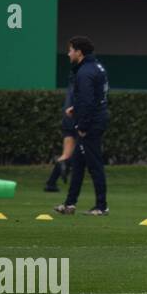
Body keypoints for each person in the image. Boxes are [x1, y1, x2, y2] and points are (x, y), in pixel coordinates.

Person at [53, 36, 110, 216]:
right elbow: (93, 97)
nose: (68, 54)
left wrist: (82, 125)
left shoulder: (84, 72)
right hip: (96, 118)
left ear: (79, 52)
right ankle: (70, 204)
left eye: (70, 50)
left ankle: (101, 206)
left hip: (91, 123)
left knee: (95, 165)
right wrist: (75, 108)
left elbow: (87, 100)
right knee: (78, 163)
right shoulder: (96, 67)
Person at [43, 69, 77, 192]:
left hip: (67, 119)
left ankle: (51, 183)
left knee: (66, 153)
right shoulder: (83, 84)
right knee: (86, 153)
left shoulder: (72, 84)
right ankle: (66, 164)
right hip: (77, 118)